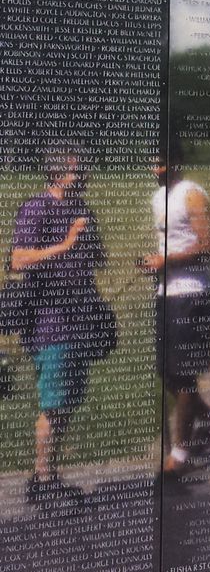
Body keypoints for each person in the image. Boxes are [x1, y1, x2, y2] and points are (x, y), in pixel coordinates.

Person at [11, 145, 107, 506]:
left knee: (66, 402)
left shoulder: (82, 210)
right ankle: (44, 482)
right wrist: (66, 244)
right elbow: (18, 259)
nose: (84, 175)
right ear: (58, 173)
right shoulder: (37, 207)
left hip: (80, 320)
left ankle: (45, 477)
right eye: (78, 170)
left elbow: (94, 259)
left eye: (84, 170)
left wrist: (91, 246)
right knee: (53, 404)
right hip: (50, 323)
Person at [141, 147, 210, 477]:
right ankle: (207, 417)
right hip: (166, 292)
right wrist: (156, 263)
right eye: (152, 163)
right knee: (167, 372)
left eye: (161, 162)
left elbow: (209, 244)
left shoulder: (190, 194)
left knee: (184, 373)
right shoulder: (158, 197)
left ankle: (180, 455)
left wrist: (167, 261)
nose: (156, 169)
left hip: (192, 294)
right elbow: (170, 244)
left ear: (175, 161)